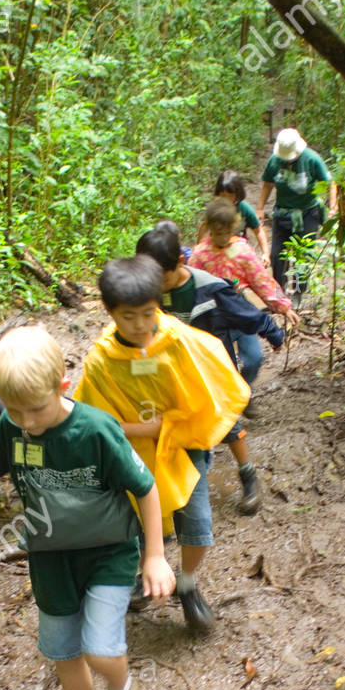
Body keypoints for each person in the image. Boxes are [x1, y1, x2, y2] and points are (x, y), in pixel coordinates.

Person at [0, 324, 174, 690]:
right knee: (64, 652)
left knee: (100, 649)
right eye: (14, 410)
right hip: (50, 557)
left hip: (109, 552)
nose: (27, 421)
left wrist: (154, 555)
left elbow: (145, 489)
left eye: (36, 409)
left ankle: (121, 688)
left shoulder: (95, 431)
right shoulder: (13, 426)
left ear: (62, 386)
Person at [74, 254, 249, 633]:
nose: (140, 325)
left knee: (198, 527)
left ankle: (187, 582)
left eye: (147, 313)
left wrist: (169, 426)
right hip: (133, 459)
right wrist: (145, 431)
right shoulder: (102, 359)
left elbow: (209, 392)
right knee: (136, 528)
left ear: (159, 305)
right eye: (128, 316)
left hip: (185, 450)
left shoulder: (177, 341)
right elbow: (95, 419)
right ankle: (146, 573)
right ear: (109, 311)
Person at [135, 221, 285, 514]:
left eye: (160, 278)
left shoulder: (209, 288)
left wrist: (271, 329)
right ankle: (178, 486)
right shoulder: (149, 290)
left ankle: (247, 474)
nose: (154, 283)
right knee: (171, 423)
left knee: (227, 423)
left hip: (212, 371)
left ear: (179, 261)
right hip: (172, 371)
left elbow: (245, 313)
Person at [190, 199, 296, 406]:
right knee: (224, 365)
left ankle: (244, 391)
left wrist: (284, 307)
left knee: (254, 358)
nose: (221, 237)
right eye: (217, 232)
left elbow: (261, 280)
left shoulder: (241, 250)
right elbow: (190, 287)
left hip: (239, 309)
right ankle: (232, 402)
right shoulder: (199, 256)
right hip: (212, 317)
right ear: (210, 229)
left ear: (233, 228)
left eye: (225, 232)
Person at [258, 128, 337, 300]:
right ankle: (279, 294)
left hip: (307, 213)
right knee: (277, 255)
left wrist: (333, 206)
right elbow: (267, 184)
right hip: (282, 213)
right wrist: (260, 208)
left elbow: (330, 183)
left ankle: (298, 295)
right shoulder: (275, 161)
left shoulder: (311, 159)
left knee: (304, 255)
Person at [197, 169, 270, 265]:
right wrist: (198, 250)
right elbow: (204, 228)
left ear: (237, 195)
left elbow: (258, 230)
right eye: (223, 196)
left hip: (238, 253)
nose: (226, 200)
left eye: (230, 196)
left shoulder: (244, 208)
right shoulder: (214, 210)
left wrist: (265, 253)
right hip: (215, 253)